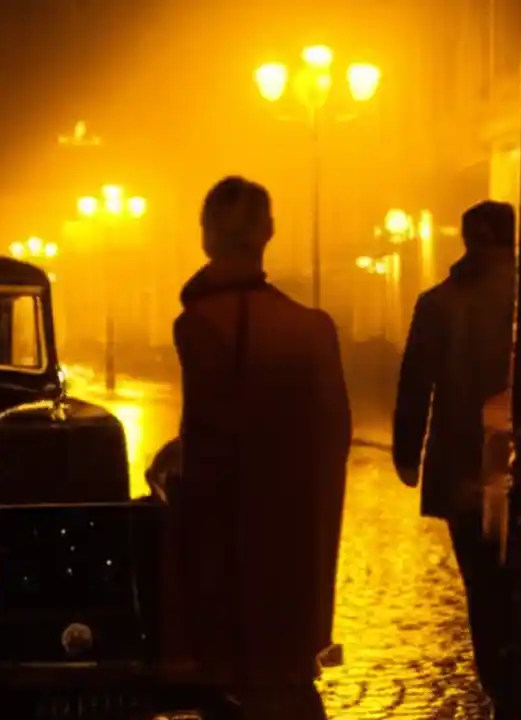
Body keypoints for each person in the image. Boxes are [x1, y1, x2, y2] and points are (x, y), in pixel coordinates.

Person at [392, 200, 521, 715]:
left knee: (487, 584)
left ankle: (507, 686)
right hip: (519, 462)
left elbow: (416, 382)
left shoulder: (441, 302)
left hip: (471, 465)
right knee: (515, 577)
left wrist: (407, 452)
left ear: (468, 241)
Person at [152, 176, 351, 719]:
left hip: (233, 564)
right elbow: (335, 438)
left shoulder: (200, 324)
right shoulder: (313, 328)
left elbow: (209, 446)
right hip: (296, 555)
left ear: (207, 236)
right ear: (268, 232)